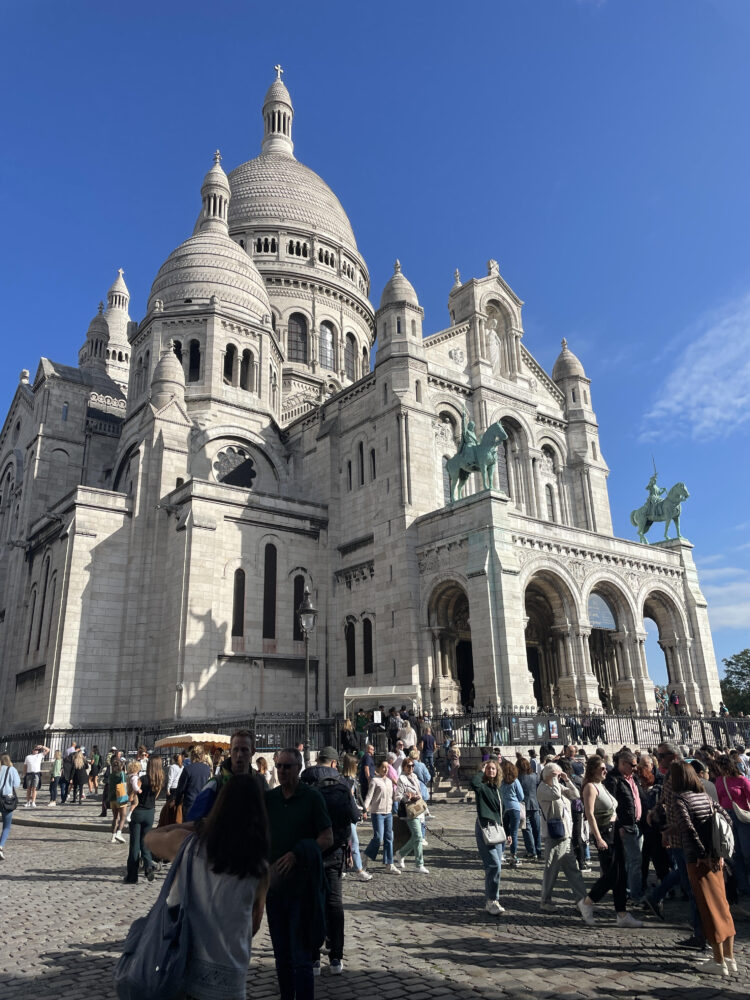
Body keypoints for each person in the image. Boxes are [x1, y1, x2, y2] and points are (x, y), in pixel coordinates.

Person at [143, 774, 270, 1000]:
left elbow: (151, 838)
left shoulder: (189, 846)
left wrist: (192, 825)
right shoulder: (259, 867)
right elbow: (254, 924)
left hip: (187, 967)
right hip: (231, 975)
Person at [265, 748, 333, 999]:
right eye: (279, 766)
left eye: (287, 767)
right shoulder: (269, 799)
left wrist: (298, 853)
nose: (282, 771)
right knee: (281, 955)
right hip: (275, 889)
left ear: (299, 769)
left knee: (302, 957)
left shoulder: (312, 798)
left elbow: (327, 837)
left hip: (302, 889)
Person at [671, 760, 736, 977]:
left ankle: (719, 961)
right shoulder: (705, 796)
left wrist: (701, 854)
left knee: (709, 909)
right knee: (723, 907)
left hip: (698, 860)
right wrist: (718, 852)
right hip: (716, 859)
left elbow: (688, 829)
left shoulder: (680, 799)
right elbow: (726, 819)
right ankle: (729, 957)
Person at [301, 747, 360, 975]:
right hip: (336, 850)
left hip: (312, 850)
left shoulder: (305, 778)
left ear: (318, 760)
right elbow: (354, 816)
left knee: (312, 902)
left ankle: (314, 958)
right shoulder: (343, 783)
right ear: (335, 763)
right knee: (335, 904)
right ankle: (336, 957)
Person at [578, 754, 642, 927]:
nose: (605, 770)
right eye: (602, 768)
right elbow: (589, 814)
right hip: (604, 833)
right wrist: (598, 837)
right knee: (612, 874)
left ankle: (622, 913)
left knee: (621, 873)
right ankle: (588, 902)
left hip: (614, 831)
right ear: (593, 769)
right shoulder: (590, 787)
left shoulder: (602, 785)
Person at [536, 762, 592, 919]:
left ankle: (581, 900)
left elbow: (575, 795)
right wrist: (554, 780)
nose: (558, 777)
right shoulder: (543, 788)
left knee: (572, 869)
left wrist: (566, 780)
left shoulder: (558, 785)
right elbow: (554, 794)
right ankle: (545, 900)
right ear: (548, 775)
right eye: (556, 774)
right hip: (554, 836)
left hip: (566, 834)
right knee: (551, 869)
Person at [605, 749, 645, 906]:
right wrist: (619, 825)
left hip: (638, 823)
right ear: (622, 763)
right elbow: (612, 806)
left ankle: (628, 890)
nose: (635, 768)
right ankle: (635, 895)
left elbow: (639, 798)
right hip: (626, 825)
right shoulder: (613, 779)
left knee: (632, 861)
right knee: (635, 860)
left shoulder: (633, 777)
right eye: (633, 765)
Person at [188, 731, 256, 821]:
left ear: (253, 752)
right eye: (236, 749)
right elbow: (194, 820)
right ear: (230, 751)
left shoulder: (260, 783)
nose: (239, 755)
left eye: (244, 750)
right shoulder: (214, 785)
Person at [470, 758, 506, 914]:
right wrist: (481, 770)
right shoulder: (482, 786)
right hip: (485, 828)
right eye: (488, 768)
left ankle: (492, 899)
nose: (491, 771)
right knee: (494, 865)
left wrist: (507, 832)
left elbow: (501, 812)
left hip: (497, 829)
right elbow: (474, 783)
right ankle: (492, 900)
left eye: (493, 768)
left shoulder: (496, 788)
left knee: (495, 866)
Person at [714, 754, 750, 903]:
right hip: (726, 817)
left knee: (747, 852)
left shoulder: (742, 780)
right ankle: (743, 886)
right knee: (735, 854)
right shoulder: (719, 780)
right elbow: (718, 799)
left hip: (741, 817)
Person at [124, 753, 164, 883]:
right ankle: (148, 866)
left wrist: (130, 792)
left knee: (135, 846)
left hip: (138, 812)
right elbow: (155, 797)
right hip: (150, 813)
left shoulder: (143, 779)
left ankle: (132, 876)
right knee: (145, 842)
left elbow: (131, 797)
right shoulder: (159, 780)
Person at [340, 753, 372, 882]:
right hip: (348, 815)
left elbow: (357, 797)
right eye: (356, 764)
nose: (358, 766)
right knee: (354, 843)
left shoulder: (352, 780)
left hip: (353, 813)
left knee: (348, 842)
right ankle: (359, 869)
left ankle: (342, 869)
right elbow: (351, 798)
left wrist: (364, 809)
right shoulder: (346, 781)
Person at [363, 759, 398, 872]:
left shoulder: (389, 781)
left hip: (388, 812)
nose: (385, 769)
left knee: (389, 838)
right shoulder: (375, 781)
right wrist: (365, 809)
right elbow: (369, 796)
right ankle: (366, 855)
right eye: (383, 767)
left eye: (387, 767)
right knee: (378, 837)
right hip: (377, 812)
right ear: (378, 768)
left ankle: (389, 863)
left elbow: (393, 796)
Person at [394, 758, 428, 874]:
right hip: (409, 811)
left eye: (412, 766)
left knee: (416, 837)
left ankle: (401, 853)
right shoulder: (401, 779)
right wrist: (407, 796)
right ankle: (419, 864)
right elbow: (397, 796)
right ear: (404, 767)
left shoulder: (415, 777)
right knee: (418, 836)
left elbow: (419, 793)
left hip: (418, 809)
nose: (411, 768)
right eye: (409, 766)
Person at [175, 745, 212, 819]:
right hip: (203, 803)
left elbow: (180, 789)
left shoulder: (187, 769)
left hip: (190, 804)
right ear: (202, 756)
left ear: (191, 756)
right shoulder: (207, 769)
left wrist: (177, 802)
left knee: (188, 828)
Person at [499, 761, 525, 867]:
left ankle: (501, 854)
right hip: (514, 808)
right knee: (514, 833)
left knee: (505, 832)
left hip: (504, 808)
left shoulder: (500, 782)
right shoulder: (515, 781)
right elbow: (521, 796)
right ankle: (513, 855)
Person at [517, 756, 542, 860]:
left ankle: (531, 851)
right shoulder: (535, 776)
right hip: (535, 803)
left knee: (527, 829)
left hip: (523, 805)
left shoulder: (518, 778)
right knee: (536, 828)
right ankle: (538, 849)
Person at [0, 753, 21, 860]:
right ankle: (0, 846)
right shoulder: (11, 770)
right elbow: (17, 784)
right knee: (7, 826)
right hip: (6, 800)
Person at [109, 752, 128, 844]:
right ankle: (119, 833)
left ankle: (112, 836)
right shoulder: (122, 774)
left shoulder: (111, 775)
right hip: (120, 797)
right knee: (123, 816)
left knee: (115, 817)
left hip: (112, 798)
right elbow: (124, 784)